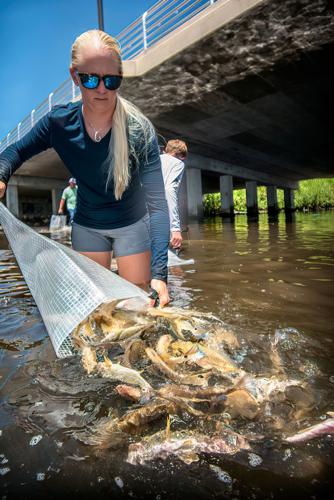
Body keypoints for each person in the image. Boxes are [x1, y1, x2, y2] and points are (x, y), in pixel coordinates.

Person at [0, 30, 170, 306]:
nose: (102, 89)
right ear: (75, 76)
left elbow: (159, 205)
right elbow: (16, 150)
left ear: (120, 77)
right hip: (87, 226)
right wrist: (2, 174)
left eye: (111, 80)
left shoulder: (140, 130)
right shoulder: (59, 123)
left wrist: (160, 273)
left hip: (132, 224)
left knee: (141, 304)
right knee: (99, 307)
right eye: (90, 79)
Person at [160, 139, 187, 249]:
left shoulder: (154, 159)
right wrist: (175, 228)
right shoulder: (178, 163)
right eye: (183, 157)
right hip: (158, 212)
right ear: (178, 154)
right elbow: (169, 190)